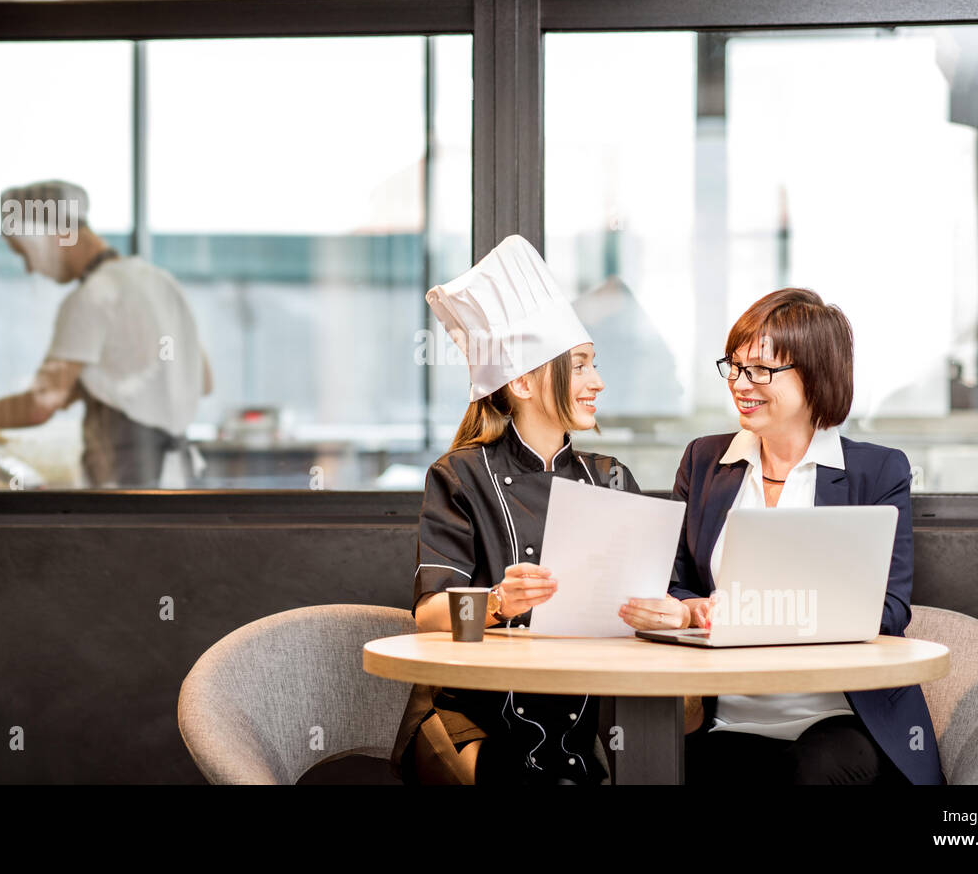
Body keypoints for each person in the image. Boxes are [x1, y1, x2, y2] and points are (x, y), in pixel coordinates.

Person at [390, 234, 688, 785]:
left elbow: (659, 597)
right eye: (578, 367)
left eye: (594, 365)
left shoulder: (610, 478)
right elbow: (428, 614)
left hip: (569, 730)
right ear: (523, 381)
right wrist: (499, 601)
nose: (597, 382)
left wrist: (670, 611)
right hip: (467, 722)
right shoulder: (460, 475)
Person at [662, 287, 945, 785]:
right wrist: (693, 608)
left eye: (761, 371)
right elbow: (673, 581)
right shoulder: (705, 461)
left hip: (839, 716)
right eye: (734, 366)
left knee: (818, 769)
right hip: (724, 716)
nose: (740, 383)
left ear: (814, 376)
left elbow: (891, 610)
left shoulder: (875, 472)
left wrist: (769, 614)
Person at [0, 180, 213, 488]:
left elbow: (40, 404)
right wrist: (91, 385)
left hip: (123, 487)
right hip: (180, 480)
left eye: (24, 253)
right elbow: (203, 380)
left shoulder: (90, 298)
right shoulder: (160, 281)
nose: (30, 269)